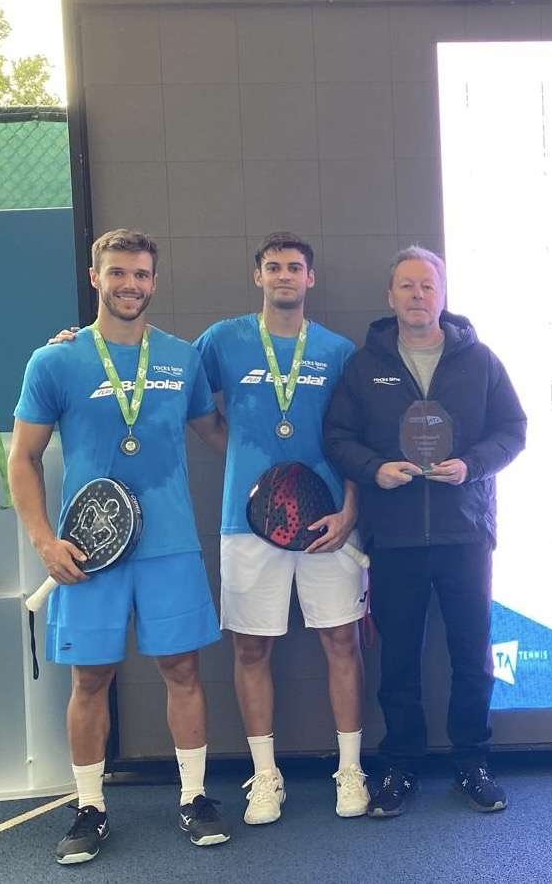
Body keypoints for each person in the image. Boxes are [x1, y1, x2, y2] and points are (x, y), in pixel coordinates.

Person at [8, 229, 232, 864]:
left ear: (154, 282)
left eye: (140, 274)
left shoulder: (183, 358)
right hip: (88, 550)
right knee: (91, 678)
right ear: (94, 277)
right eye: (117, 273)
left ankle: (193, 798)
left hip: (170, 546)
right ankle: (89, 808)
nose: (129, 284)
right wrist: (44, 541)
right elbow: (21, 458)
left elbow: (216, 430)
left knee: (183, 671)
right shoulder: (55, 361)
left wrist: (286, 464)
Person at [324, 246, 526, 818]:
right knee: (399, 659)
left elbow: (514, 429)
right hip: (395, 538)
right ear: (390, 297)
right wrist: (373, 470)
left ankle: (473, 762)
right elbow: (336, 436)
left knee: (471, 654)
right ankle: (401, 766)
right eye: (407, 287)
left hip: (465, 534)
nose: (418, 296)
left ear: (443, 295)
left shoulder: (479, 360)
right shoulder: (364, 366)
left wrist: (474, 465)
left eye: (428, 287)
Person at [193, 233, 368, 822]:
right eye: (274, 267)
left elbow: (356, 438)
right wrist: (241, 454)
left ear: (310, 279)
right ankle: (265, 776)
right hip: (248, 524)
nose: (285, 276)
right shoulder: (222, 340)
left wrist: (350, 511)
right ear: (257, 277)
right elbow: (177, 387)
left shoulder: (338, 351)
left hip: (327, 519)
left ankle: (350, 771)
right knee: (250, 646)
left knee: (343, 639)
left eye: (295, 267)